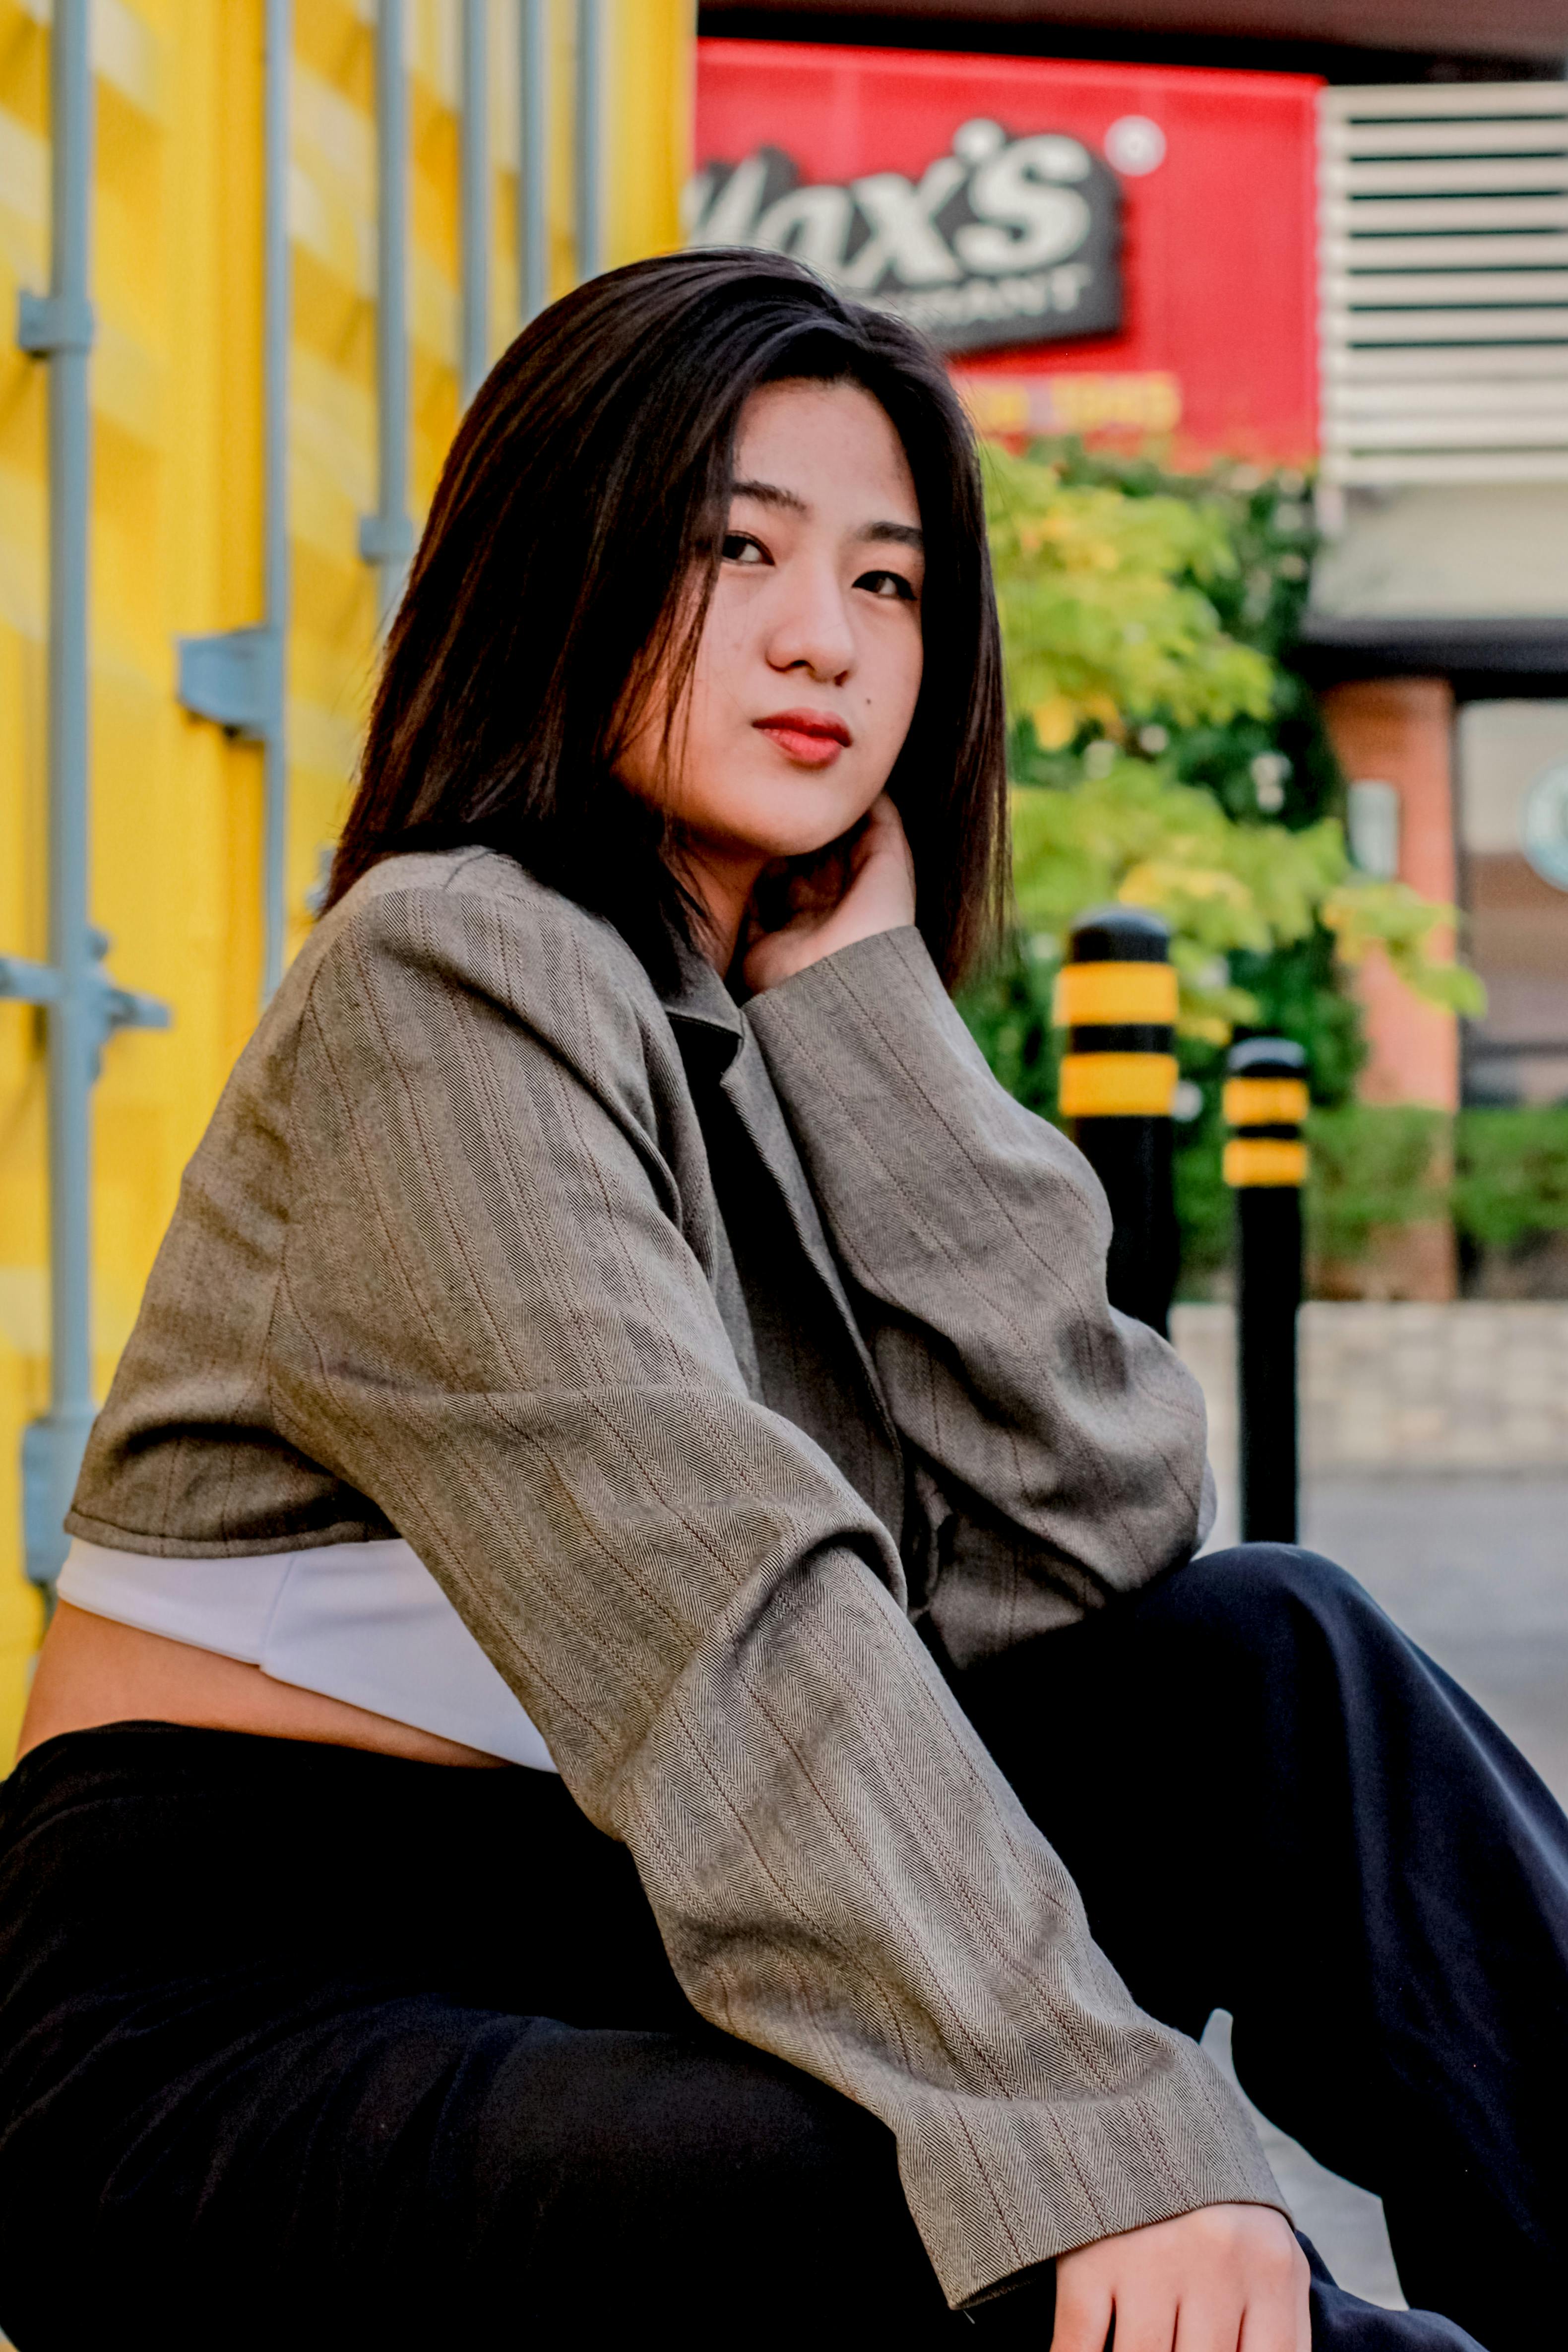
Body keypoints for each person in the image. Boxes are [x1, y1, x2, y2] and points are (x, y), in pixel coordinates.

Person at [0, 252, 1558, 2352]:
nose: (824, 637)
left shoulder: (744, 1018)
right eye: (734, 549)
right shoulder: (442, 978)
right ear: (562, 564)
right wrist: (1102, 2125)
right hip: (235, 2027)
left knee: (1276, 1660)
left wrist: (871, 1033)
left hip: (589, 1909)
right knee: (971, 2210)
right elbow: (725, 1627)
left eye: (891, 583)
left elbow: (1088, 1554)